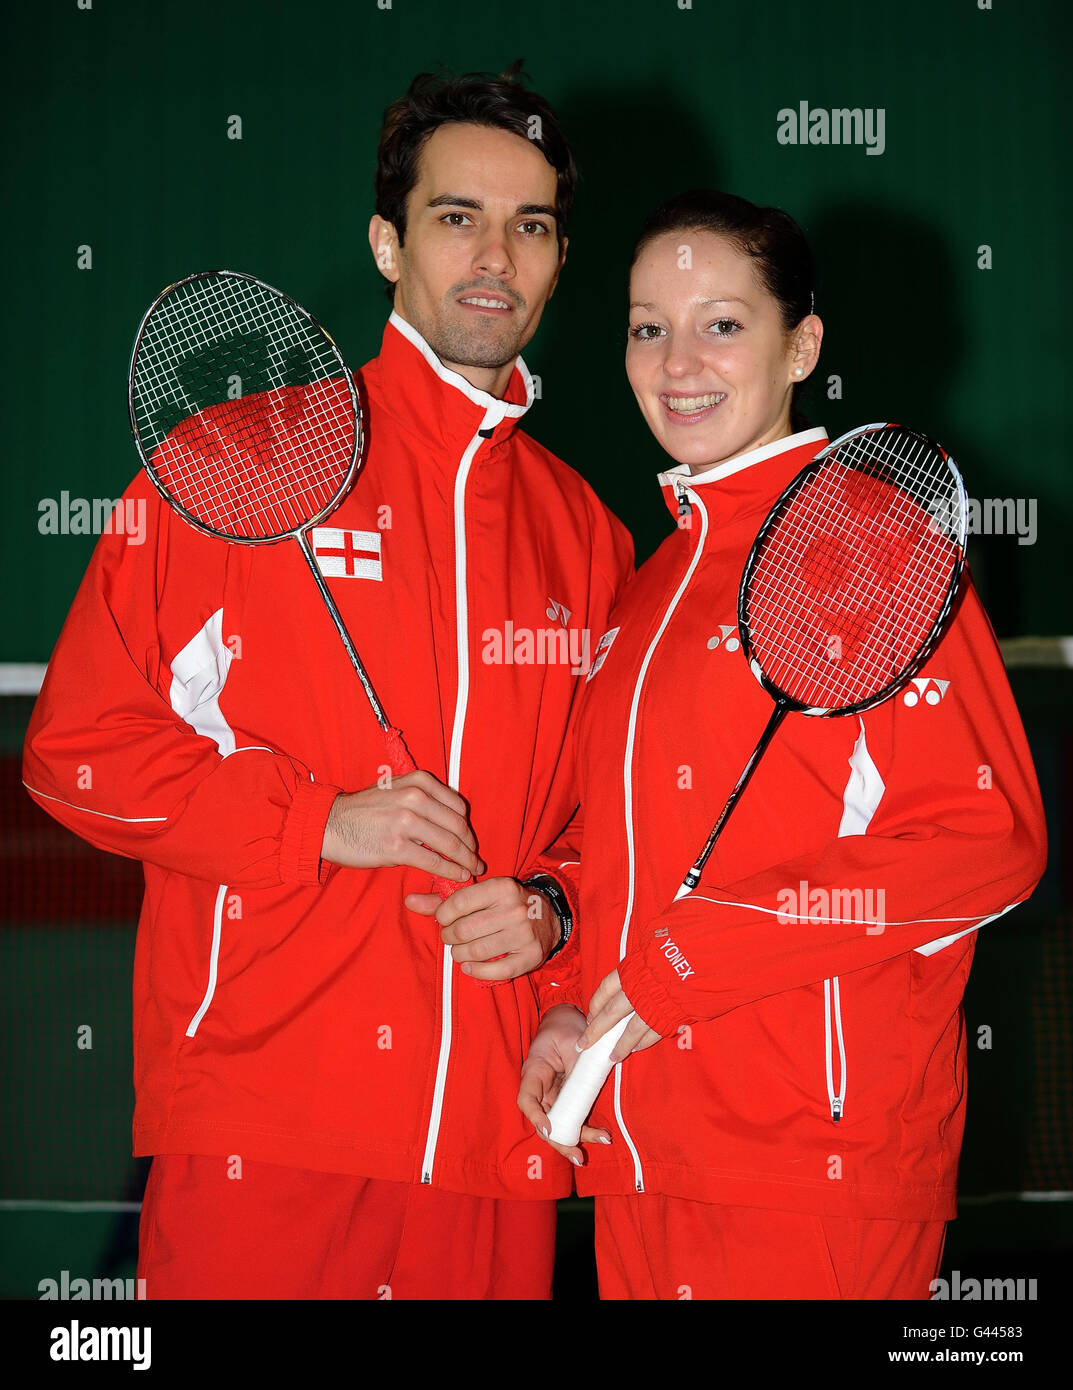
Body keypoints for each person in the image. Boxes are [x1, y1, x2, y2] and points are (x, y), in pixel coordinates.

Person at [23, 64, 633, 1301]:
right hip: (266, 1131)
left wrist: (551, 912)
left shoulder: (589, 535)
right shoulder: (236, 460)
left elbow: (603, 828)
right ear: (385, 242)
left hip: (487, 1140)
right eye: (456, 216)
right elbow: (74, 749)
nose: (494, 257)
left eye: (530, 227)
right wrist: (313, 823)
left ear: (561, 261)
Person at [519, 189, 1047, 1300]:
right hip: (640, 1159)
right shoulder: (643, 588)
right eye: (645, 326)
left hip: (811, 1178)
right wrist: (576, 996)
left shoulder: (871, 544)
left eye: (721, 323)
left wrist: (683, 968)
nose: (677, 362)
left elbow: (985, 839)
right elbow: (628, 860)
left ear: (800, 343)